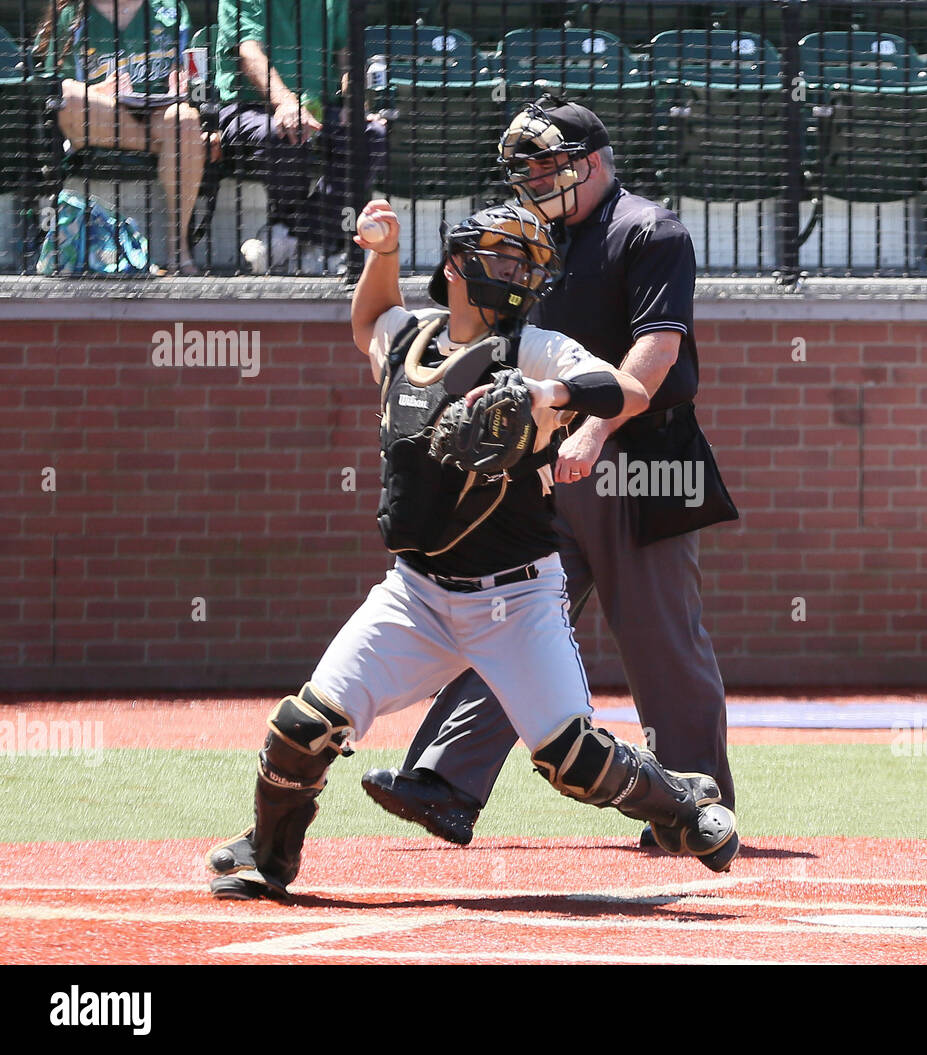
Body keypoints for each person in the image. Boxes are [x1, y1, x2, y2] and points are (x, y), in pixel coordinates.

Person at [204, 198, 740, 900]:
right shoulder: (408, 339)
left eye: (528, 262)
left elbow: (624, 385)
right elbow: (370, 319)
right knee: (302, 726)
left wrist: (546, 391)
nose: (518, 273)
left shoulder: (532, 346)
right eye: (504, 256)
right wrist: (384, 256)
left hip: (514, 597)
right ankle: (270, 853)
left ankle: (683, 804)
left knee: (571, 760)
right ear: (456, 263)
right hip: (415, 593)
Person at [359, 96, 737, 849]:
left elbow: (656, 354)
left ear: (588, 162)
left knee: (660, 638)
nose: (530, 178)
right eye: (522, 166)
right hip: (538, 461)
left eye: (545, 164)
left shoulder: (648, 231)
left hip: (641, 458)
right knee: (507, 614)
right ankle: (445, 780)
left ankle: (693, 805)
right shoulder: (525, 240)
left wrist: (596, 428)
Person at [36, 0, 210, 274]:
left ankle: (179, 250)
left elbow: (195, 72)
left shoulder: (171, 9)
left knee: (186, 120)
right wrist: (97, 91)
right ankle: (168, 146)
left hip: (159, 114)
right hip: (101, 116)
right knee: (68, 95)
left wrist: (186, 83)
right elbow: (51, 88)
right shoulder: (71, 15)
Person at [213, 0, 386, 273]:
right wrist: (285, 102)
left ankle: (289, 236)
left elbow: (346, 55)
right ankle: (310, 241)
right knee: (284, 132)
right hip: (251, 107)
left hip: (320, 107)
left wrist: (354, 103)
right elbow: (249, 52)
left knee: (371, 136)